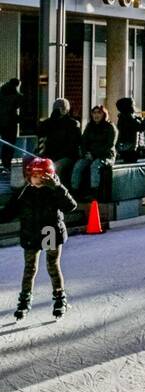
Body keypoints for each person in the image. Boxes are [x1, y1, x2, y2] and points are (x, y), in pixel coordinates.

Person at [1, 157, 77, 320]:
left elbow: (71, 206)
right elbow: (9, 211)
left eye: (41, 177)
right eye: (34, 176)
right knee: (30, 268)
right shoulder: (25, 191)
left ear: (48, 176)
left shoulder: (54, 191)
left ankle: (59, 298)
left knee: (52, 266)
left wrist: (57, 188)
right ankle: (24, 301)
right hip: (31, 233)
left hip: (49, 232)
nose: (37, 180)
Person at [70, 105, 116, 199]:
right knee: (78, 165)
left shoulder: (110, 127)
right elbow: (83, 142)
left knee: (95, 165)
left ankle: (95, 192)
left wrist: (94, 154)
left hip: (105, 156)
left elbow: (109, 145)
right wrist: (85, 153)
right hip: (89, 155)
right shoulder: (89, 126)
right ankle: (74, 191)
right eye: (94, 113)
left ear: (104, 114)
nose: (96, 115)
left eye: (99, 112)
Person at [36, 99, 82, 187]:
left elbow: (73, 145)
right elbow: (40, 134)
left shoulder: (72, 124)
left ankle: (55, 189)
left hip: (67, 156)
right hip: (50, 154)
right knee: (31, 162)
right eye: (56, 109)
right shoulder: (48, 123)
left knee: (55, 166)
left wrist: (56, 156)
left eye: (60, 108)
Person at [0, 78, 21, 171]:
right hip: (10, 123)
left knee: (5, 144)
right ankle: (6, 163)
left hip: (2, 122)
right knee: (10, 144)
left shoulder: (2, 92)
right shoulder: (15, 96)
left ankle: (5, 162)